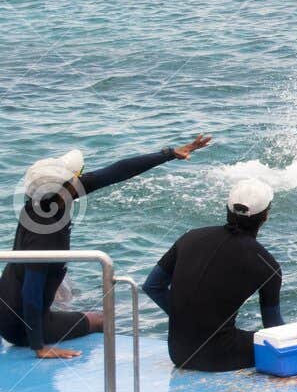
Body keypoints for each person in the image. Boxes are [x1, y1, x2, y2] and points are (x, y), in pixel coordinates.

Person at [1, 135, 213, 359]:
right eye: (75, 178)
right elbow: (31, 293)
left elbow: (117, 171)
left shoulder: (45, 200)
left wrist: (169, 154)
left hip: (8, 304)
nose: (80, 180)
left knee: (58, 291)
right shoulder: (45, 235)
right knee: (102, 319)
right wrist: (39, 347)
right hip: (18, 326)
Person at [143, 178, 285, 372]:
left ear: (227, 209)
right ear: (266, 216)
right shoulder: (268, 264)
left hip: (178, 353)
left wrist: (186, 318)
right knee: (284, 344)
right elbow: (274, 329)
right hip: (219, 358)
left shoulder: (190, 237)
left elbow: (152, 286)